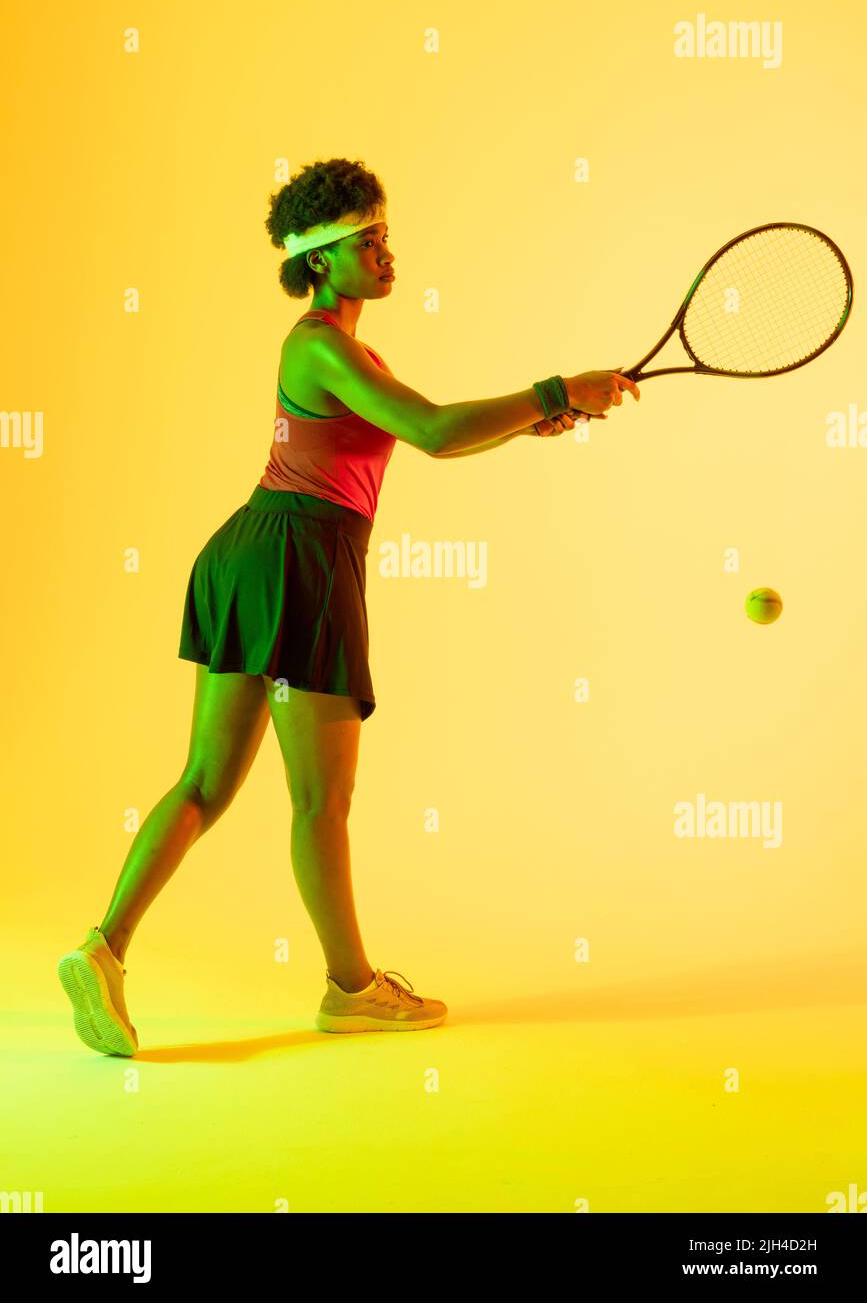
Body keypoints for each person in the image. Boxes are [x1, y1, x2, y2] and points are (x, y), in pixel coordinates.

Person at [57, 156, 639, 1055]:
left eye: (384, 236)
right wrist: (556, 391)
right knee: (319, 799)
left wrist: (534, 420)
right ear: (322, 261)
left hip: (260, 554)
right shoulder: (318, 343)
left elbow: (428, 430)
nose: (386, 252)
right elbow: (436, 432)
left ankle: (104, 950)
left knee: (209, 784)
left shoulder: (348, 353)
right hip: (300, 557)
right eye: (367, 241)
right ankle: (350, 988)